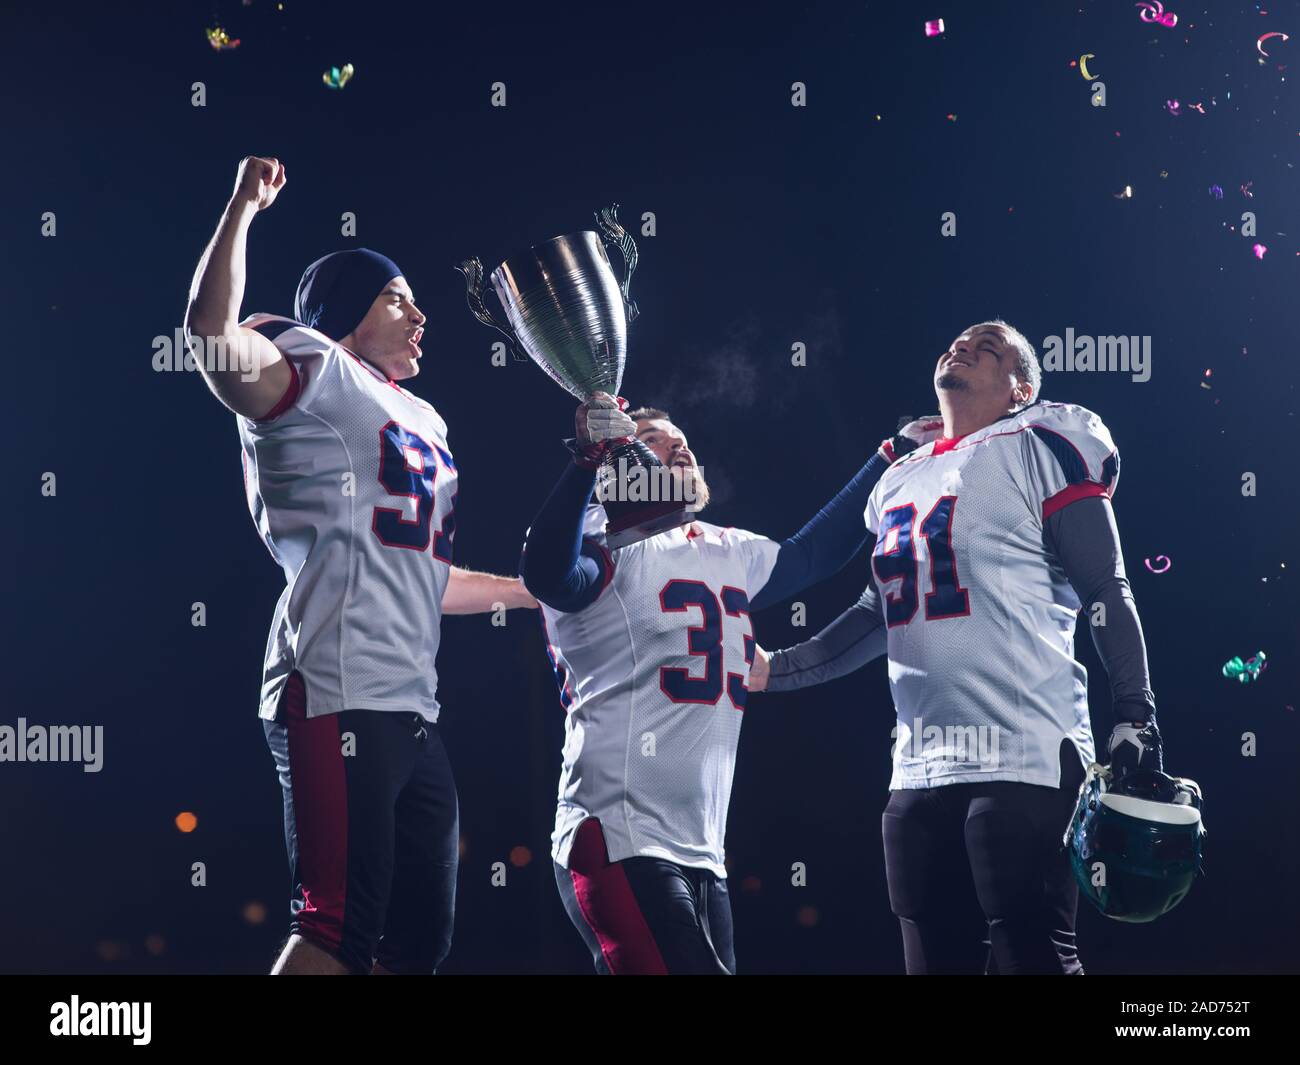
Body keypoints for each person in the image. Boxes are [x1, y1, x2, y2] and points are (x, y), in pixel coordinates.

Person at [184, 155, 535, 975]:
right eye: (396, 298)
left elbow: (425, 576)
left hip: (411, 701)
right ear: (347, 311)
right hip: (336, 684)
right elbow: (207, 335)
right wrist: (241, 207)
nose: (420, 315)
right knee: (334, 925)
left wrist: (529, 591)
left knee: (417, 944)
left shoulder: (425, 416)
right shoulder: (309, 363)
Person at [749, 320, 1163, 975]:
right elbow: (875, 617)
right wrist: (774, 669)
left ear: (1020, 389)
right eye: (958, 341)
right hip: (919, 769)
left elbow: (1105, 586)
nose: (964, 345)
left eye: (990, 347)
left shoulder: (1040, 441)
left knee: (1035, 959)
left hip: (1025, 753)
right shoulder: (900, 477)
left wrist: (1136, 710)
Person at [521, 392, 940, 973]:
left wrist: (890, 454)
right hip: (618, 833)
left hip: (702, 849)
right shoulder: (600, 547)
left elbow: (812, 556)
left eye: (681, 438)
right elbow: (545, 570)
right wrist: (584, 463)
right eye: (652, 442)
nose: (678, 446)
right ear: (619, 471)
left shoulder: (720, 548)